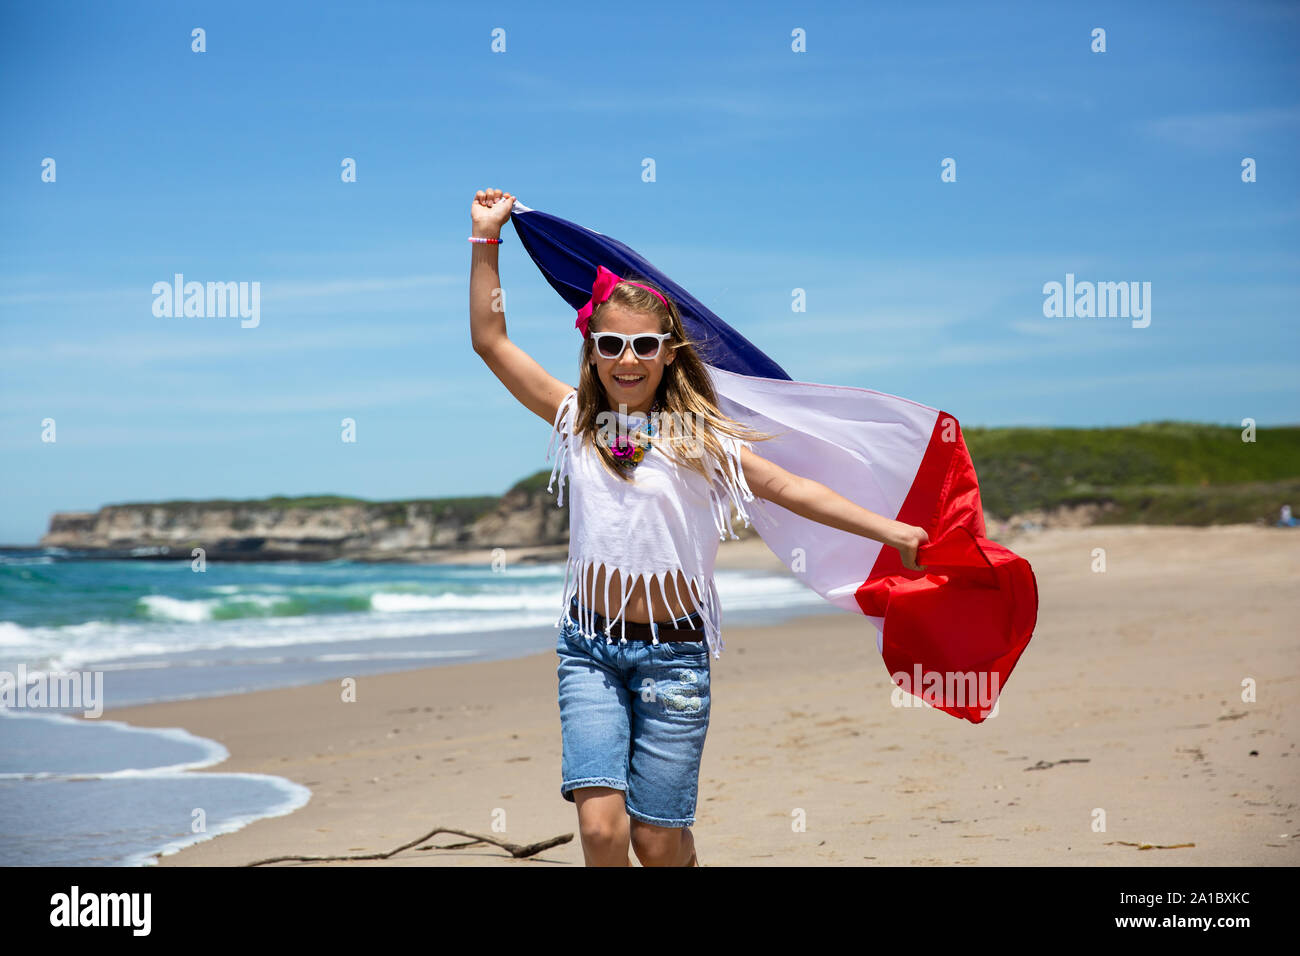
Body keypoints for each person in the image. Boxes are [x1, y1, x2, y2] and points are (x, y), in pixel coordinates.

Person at [468, 187, 929, 866]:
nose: (628, 359)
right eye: (612, 344)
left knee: (658, 844)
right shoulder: (576, 423)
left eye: (645, 345)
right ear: (593, 351)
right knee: (600, 832)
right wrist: (487, 240)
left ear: (669, 354)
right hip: (588, 651)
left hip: (674, 655)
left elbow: (791, 487)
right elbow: (490, 340)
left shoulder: (699, 440)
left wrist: (888, 530)